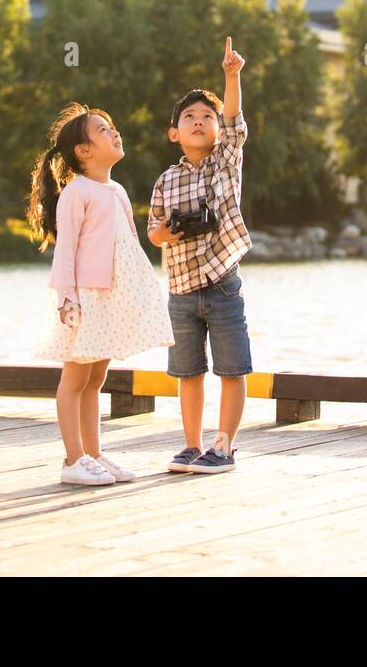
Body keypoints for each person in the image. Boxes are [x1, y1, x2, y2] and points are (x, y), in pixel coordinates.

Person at [27, 102, 174, 486]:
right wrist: (67, 298)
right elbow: (67, 250)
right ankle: (73, 459)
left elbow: (127, 245)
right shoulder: (78, 192)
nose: (115, 132)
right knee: (74, 379)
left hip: (110, 297)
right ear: (84, 150)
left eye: (112, 126)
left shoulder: (117, 190)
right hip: (85, 298)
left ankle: (94, 454)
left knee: (95, 379)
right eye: (104, 130)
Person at [148, 35, 253, 474]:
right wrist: (165, 235)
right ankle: (192, 445)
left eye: (206, 117)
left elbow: (233, 120)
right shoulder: (164, 180)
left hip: (222, 283)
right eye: (188, 117)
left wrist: (231, 76)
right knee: (187, 373)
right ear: (174, 133)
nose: (198, 121)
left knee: (232, 369)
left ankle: (224, 447)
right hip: (180, 291)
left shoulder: (225, 161)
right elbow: (151, 231)